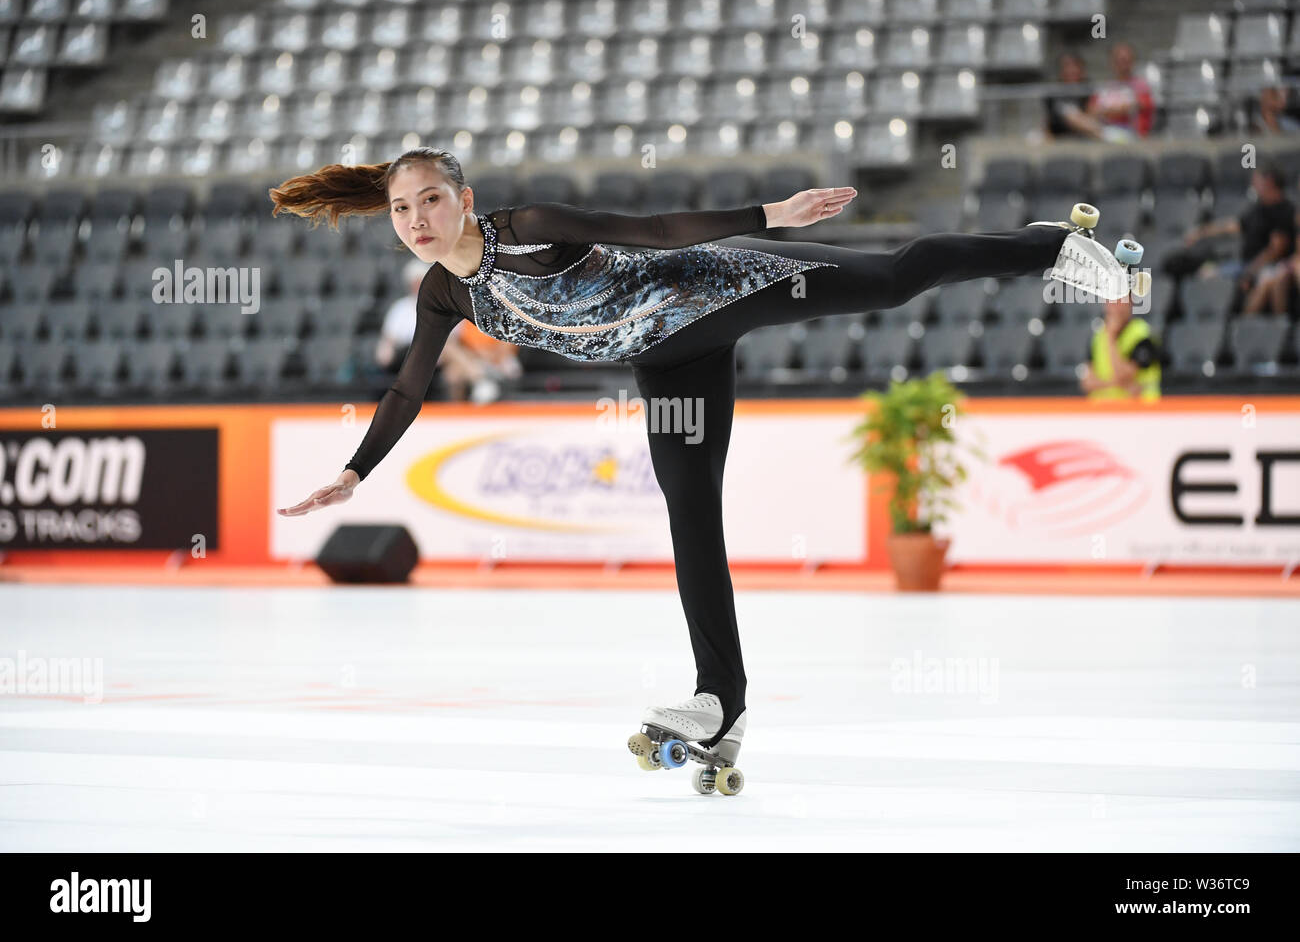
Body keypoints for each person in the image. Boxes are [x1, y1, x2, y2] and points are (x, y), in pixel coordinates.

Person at [268, 147, 1077, 764]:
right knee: (691, 519)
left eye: (431, 200)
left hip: (715, 285)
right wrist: (353, 472)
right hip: (668, 361)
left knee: (897, 277)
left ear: (464, 200)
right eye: (402, 209)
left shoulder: (523, 229)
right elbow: (409, 390)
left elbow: (651, 233)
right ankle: (719, 702)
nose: (416, 219)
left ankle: (1052, 246)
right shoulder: (442, 293)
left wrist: (772, 214)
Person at [377, 258, 522, 402]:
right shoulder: (400, 308)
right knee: (446, 352)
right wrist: (385, 350)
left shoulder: (444, 305)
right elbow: (388, 339)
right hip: (408, 354)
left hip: (440, 354)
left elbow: (462, 339)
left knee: (452, 373)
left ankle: (463, 407)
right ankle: (480, 379)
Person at [1163, 163, 1295, 312]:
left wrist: (1250, 272)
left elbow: (1275, 250)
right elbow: (1234, 225)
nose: (1253, 184)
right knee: (1205, 273)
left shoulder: (1284, 210)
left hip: (1267, 266)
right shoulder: (1258, 208)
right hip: (1244, 263)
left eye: (1257, 180)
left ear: (1269, 181)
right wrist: (1201, 232)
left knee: (1264, 279)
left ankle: (1244, 326)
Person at [1080, 294, 1161, 401]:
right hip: (1103, 412)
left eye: (1120, 301)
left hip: (1139, 412)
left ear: (1131, 302)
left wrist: (1110, 337)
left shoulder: (1143, 336)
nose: (1115, 307)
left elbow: (1123, 375)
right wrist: (1116, 384)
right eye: (1111, 301)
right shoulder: (1098, 335)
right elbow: (1087, 382)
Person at [1085, 41, 1154, 142]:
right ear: (1111, 62)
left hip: (1131, 136)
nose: (1123, 65)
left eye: (1126, 60)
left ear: (1133, 61)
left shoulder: (1141, 86)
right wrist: (1116, 111)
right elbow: (1091, 111)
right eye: (1119, 60)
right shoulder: (1103, 87)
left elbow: (1138, 106)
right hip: (1103, 133)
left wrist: (1105, 111)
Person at [1044, 51, 1101, 140]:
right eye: (1067, 66)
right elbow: (1049, 121)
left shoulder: (1088, 89)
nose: (1071, 70)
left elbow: (1093, 114)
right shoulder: (1053, 92)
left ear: (1082, 69)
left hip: (1085, 136)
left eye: (1075, 66)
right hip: (1060, 138)